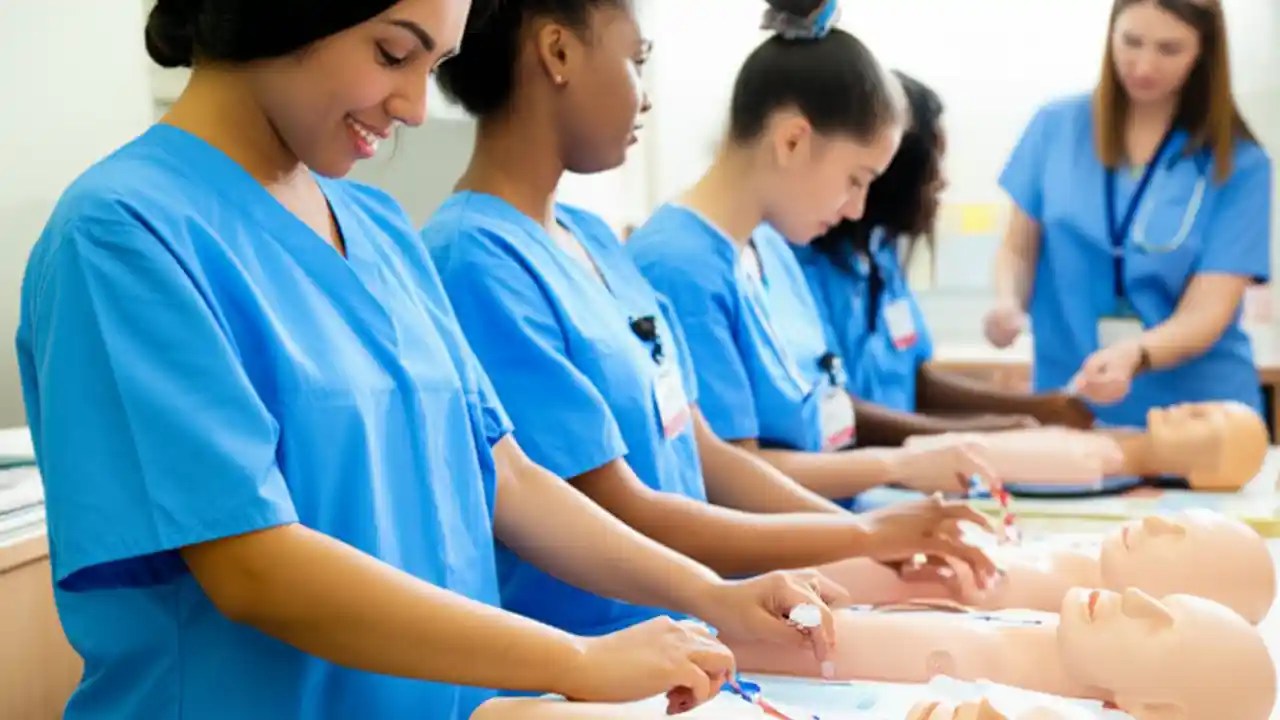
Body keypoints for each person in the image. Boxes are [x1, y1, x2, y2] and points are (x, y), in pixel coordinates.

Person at [12, 2, 855, 718]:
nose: (416, 106)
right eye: (392, 53)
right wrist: (574, 661)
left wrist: (709, 593)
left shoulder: (377, 227)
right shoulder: (123, 235)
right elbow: (253, 564)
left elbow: (507, 478)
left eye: (435, 63)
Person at [423, 0, 1000, 644]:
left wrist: (873, 537)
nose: (645, 99)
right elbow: (620, 507)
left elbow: (710, 457)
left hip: (689, 634)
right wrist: (863, 530)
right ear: (557, 53)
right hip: (595, 652)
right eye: (636, 59)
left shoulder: (593, 241)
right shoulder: (474, 260)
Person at [627, 9, 1000, 509]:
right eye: (856, 179)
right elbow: (728, 477)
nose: (858, 209)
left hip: (835, 524)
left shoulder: (775, 249)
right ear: (792, 141)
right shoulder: (677, 267)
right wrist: (899, 466)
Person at [984, 0, 1272, 428]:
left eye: (1169, 49)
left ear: (1204, 52)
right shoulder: (1055, 127)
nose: (1142, 65)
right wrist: (1007, 301)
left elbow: (1208, 310)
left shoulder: (1240, 163)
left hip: (1199, 417)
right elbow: (1019, 250)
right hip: (1073, 403)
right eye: (1131, 41)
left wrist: (1135, 354)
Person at [797, 71, 1094, 447]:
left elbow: (913, 382)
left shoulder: (878, 255)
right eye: (934, 162)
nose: (942, 181)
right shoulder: (801, 266)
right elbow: (831, 408)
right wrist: (985, 432)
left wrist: (1040, 408)